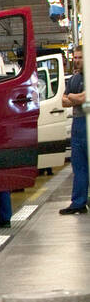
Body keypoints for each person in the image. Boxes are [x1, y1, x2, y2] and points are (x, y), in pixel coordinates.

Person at [60, 46, 87, 216]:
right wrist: (74, 98)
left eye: (80, 57)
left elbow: (85, 98)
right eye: (75, 57)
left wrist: (72, 97)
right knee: (78, 166)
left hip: (87, 122)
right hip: (77, 124)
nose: (76, 60)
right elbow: (63, 101)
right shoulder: (74, 79)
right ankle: (78, 202)